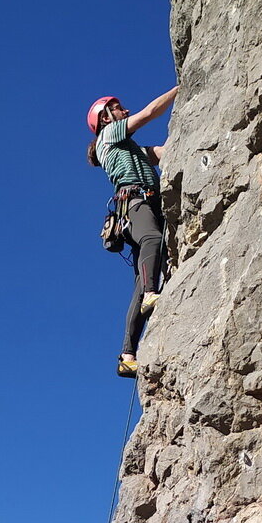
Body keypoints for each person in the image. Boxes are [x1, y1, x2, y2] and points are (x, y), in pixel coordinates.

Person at [87, 87, 178, 378]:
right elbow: (150, 113)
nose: (124, 110)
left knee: (140, 282)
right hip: (136, 201)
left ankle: (127, 355)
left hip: (142, 203)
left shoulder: (129, 148)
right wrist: (181, 87)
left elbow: (162, 153)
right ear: (105, 118)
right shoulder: (108, 135)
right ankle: (153, 292)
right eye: (118, 108)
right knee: (152, 240)